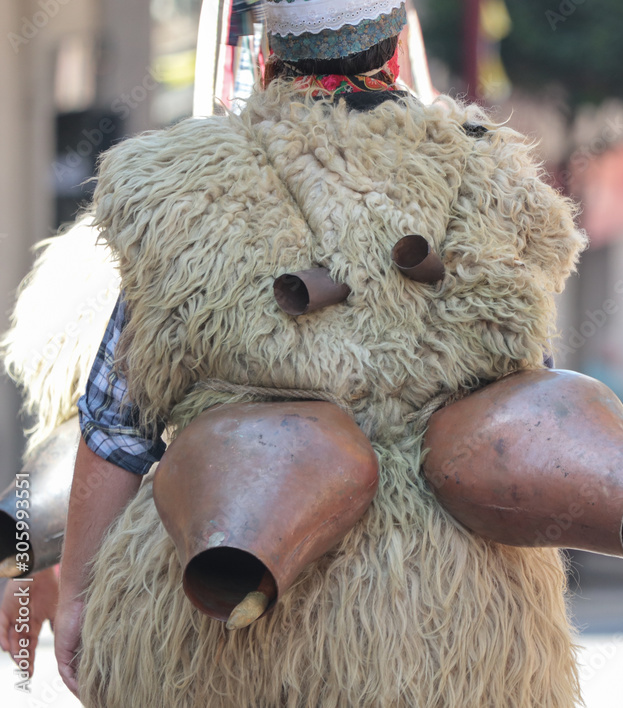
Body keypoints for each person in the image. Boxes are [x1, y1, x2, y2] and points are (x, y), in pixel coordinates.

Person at [54, 0, 412, 694]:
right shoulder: (485, 178)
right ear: (393, 48)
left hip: (222, 610)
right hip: (420, 618)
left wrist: (72, 594)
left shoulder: (183, 196)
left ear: (270, 58)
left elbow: (116, 425)